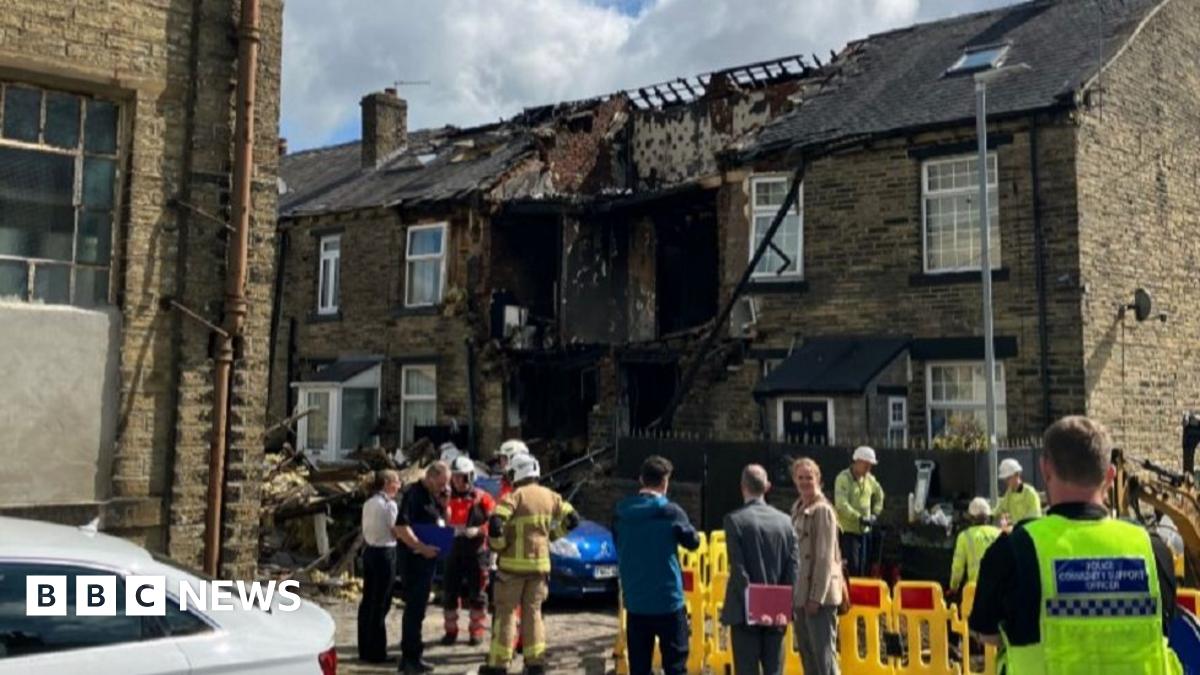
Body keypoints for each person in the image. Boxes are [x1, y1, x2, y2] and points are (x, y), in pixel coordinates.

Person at [969, 416, 1181, 674]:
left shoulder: (1013, 550)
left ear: (1045, 470)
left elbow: (986, 633)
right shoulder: (1152, 550)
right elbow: (1165, 626)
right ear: (1111, 475)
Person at [480, 453, 580, 675]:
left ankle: (498, 665)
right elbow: (574, 519)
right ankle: (535, 665)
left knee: (506, 615)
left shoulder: (514, 496)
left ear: (518, 473)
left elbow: (496, 524)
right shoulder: (551, 497)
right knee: (533, 614)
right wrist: (552, 535)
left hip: (511, 571)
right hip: (539, 568)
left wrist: (499, 545)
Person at [613, 455, 701, 675]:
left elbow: (617, 540)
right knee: (675, 664)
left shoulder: (621, 513)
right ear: (665, 482)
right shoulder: (670, 512)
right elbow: (693, 542)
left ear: (641, 479)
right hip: (668, 600)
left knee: (640, 666)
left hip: (635, 600)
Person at [721, 464, 798, 675]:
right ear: (768, 487)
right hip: (777, 609)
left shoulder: (734, 520)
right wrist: (781, 600)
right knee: (774, 670)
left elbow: (738, 569)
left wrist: (754, 602)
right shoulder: (786, 522)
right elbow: (793, 568)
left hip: (745, 610)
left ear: (742, 487)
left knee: (747, 670)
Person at [394, 461, 449, 674]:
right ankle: (409, 658)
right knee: (414, 610)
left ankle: (415, 655)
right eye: (441, 483)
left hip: (428, 561)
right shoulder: (413, 494)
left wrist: (445, 503)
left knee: (419, 610)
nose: (443, 487)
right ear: (432, 476)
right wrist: (421, 547)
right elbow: (401, 527)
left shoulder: (432, 496)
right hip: (414, 561)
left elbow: (442, 522)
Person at [790, 457, 843, 675]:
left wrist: (816, 597)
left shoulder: (823, 511)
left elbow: (824, 558)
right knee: (808, 657)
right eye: (800, 478)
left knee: (824, 660)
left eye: (809, 478)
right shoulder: (797, 507)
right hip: (800, 595)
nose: (804, 482)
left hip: (818, 598)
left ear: (818, 479)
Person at [441, 455, 496, 647]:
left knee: (478, 595)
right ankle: (450, 631)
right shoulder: (445, 498)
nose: (457, 481)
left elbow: (496, 523)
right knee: (449, 593)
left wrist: (480, 530)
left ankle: (477, 632)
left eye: (461, 477)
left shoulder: (483, 498)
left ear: (470, 477)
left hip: (477, 553)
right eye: (454, 477)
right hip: (452, 552)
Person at [358, 469, 403, 664]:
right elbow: (395, 531)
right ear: (386, 483)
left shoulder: (368, 503)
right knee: (381, 602)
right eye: (396, 482)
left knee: (368, 600)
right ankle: (377, 651)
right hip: (385, 553)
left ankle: (365, 647)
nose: (399, 486)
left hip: (369, 552)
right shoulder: (389, 505)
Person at [834, 446, 884, 577]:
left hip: (865, 531)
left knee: (865, 567)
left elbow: (880, 495)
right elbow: (841, 504)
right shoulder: (843, 479)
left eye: (870, 465)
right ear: (857, 461)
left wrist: (875, 514)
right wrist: (859, 517)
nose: (869, 468)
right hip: (848, 532)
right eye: (866, 464)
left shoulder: (870, 479)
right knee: (852, 568)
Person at [949, 497, 1000, 595]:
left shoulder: (964, 536)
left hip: (975, 591)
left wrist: (953, 587)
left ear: (970, 517)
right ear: (988, 516)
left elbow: (957, 568)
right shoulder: (999, 534)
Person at [995, 458, 1042, 529]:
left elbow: (1035, 516)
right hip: (1017, 533)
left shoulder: (1030, 493)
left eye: (1008, 478)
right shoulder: (1009, 493)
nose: (1006, 481)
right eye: (1005, 479)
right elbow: (1001, 510)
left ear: (1017, 475)